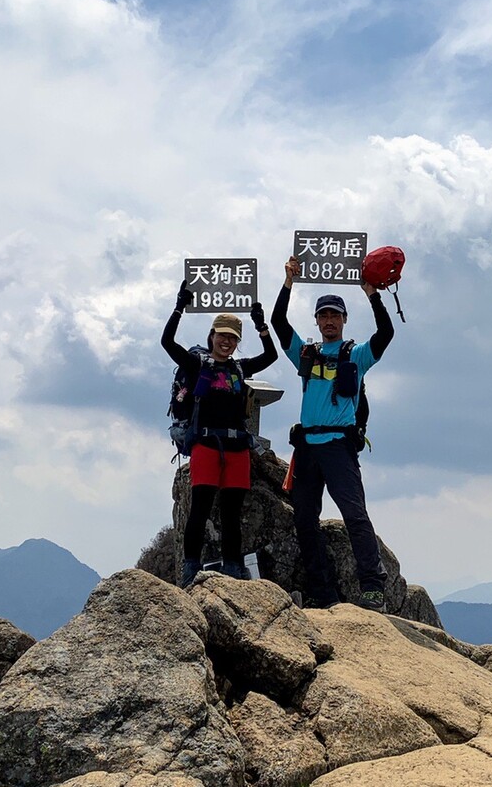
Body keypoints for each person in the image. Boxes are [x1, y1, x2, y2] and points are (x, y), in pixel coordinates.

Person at [271, 256, 394, 610]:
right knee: (305, 519)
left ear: (343, 320)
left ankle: (372, 587)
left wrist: (372, 295)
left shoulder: (355, 355)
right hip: (307, 448)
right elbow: (279, 323)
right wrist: (288, 283)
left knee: (355, 515)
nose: (328, 321)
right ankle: (321, 591)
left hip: (339, 446)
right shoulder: (305, 355)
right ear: (317, 320)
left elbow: (385, 335)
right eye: (323, 315)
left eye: (334, 315)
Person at [162, 281, 278, 586]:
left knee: (232, 512)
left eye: (232, 338)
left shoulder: (240, 368)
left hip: (237, 446)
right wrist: (179, 308)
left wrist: (261, 325)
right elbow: (167, 343)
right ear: (211, 336)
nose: (226, 342)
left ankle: (232, 566)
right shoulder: (197, 363)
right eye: (221, 336)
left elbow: (271, 356)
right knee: (200, 507)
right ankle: (191, 566)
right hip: (206, 444)